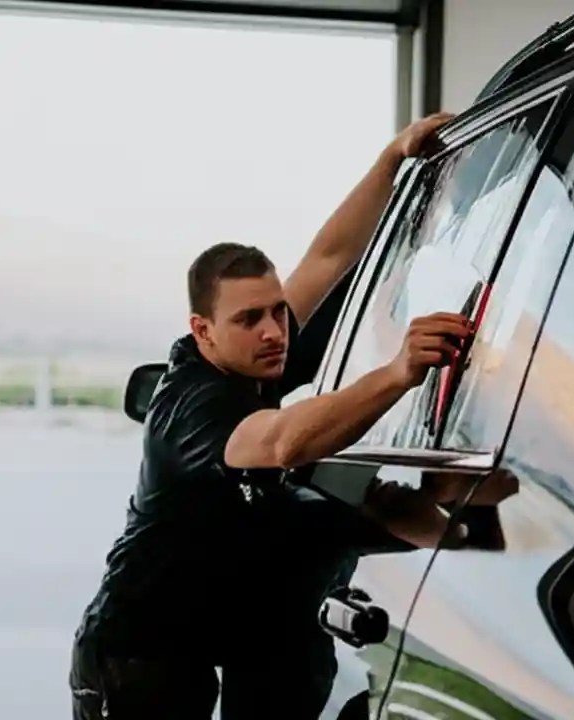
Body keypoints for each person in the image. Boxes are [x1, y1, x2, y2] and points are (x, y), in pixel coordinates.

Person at [69, 111, 464, 720]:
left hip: (214, 637)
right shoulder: (192, 406)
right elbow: (280, 442)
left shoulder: (260, 350)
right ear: (202, 330)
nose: (273, 331)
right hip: (136, 654)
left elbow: (330, 258)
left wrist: (391, 160)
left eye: (276, 312)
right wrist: (397, 374)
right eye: (248, 319)